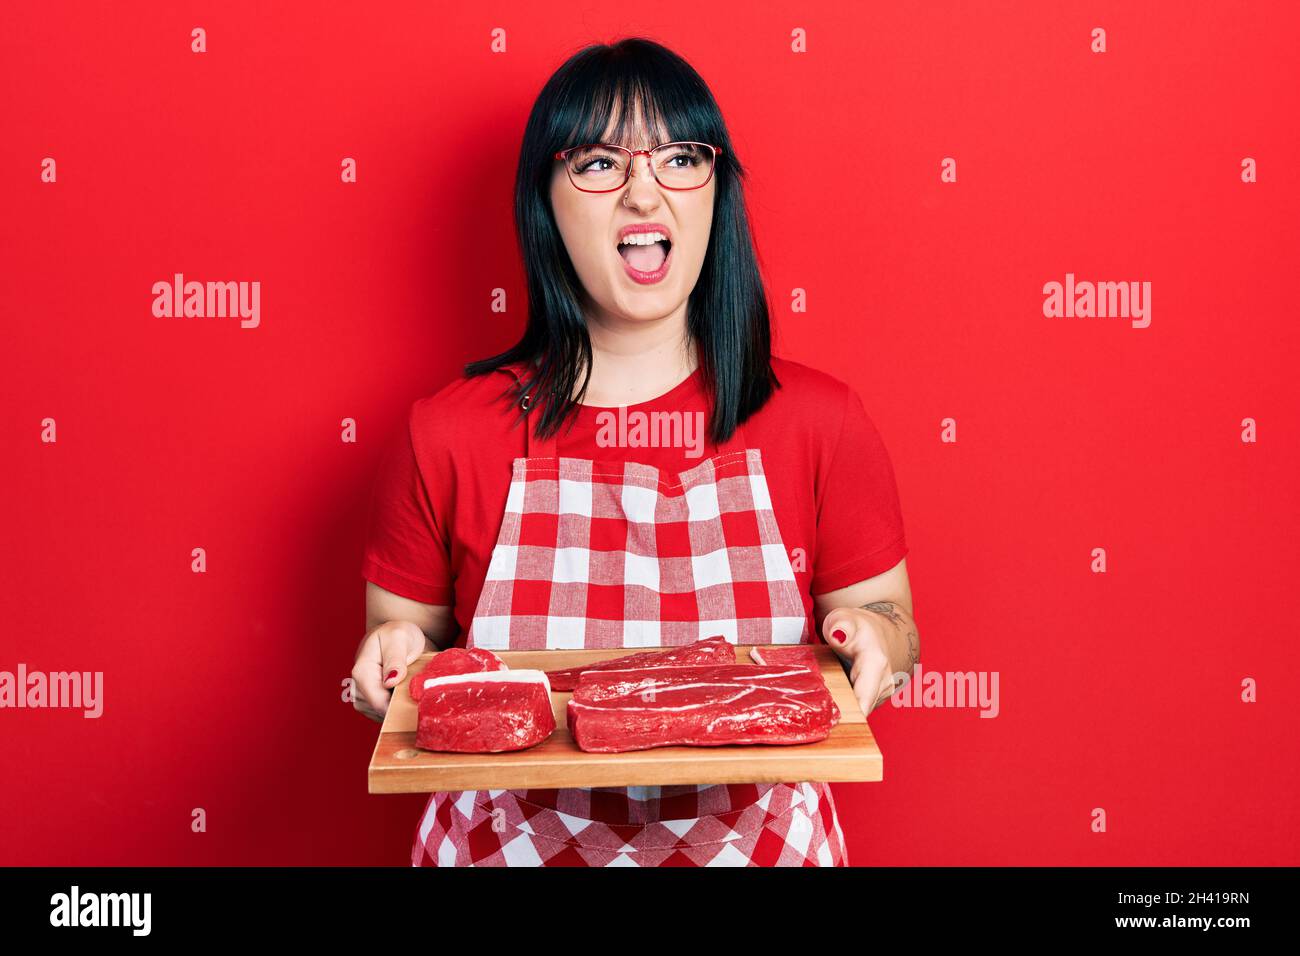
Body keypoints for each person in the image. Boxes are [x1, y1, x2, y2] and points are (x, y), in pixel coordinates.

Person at [352, 37, 920, 867]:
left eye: (682, 157)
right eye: (598, 163)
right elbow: (398, 641)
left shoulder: (818, 420)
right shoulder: (447, 432)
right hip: (499, 849)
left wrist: (877, 638)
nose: (642, 192)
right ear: (545, 200)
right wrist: (394, 656)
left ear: (716, 193)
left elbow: (897, 624)